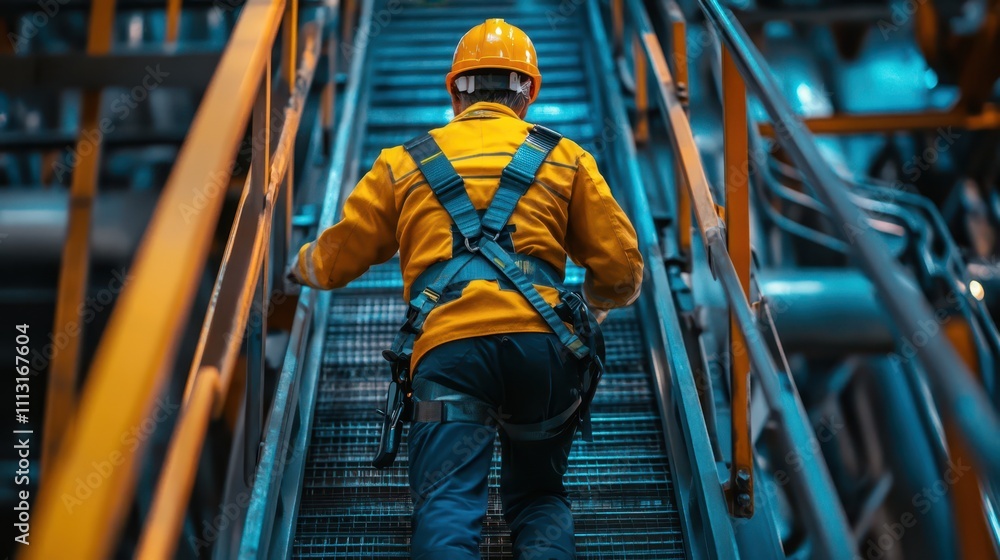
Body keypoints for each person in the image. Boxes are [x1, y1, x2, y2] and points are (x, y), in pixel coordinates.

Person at [287, 18, 643, 560]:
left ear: (456, 91)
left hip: (449, 355)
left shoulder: (404, 162)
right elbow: (623, 269)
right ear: (528, 93)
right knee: (540, 499)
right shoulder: (566, 157)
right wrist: (590, 311)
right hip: (543, 353)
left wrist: (295, 271)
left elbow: (337, 260)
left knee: (447, 506)